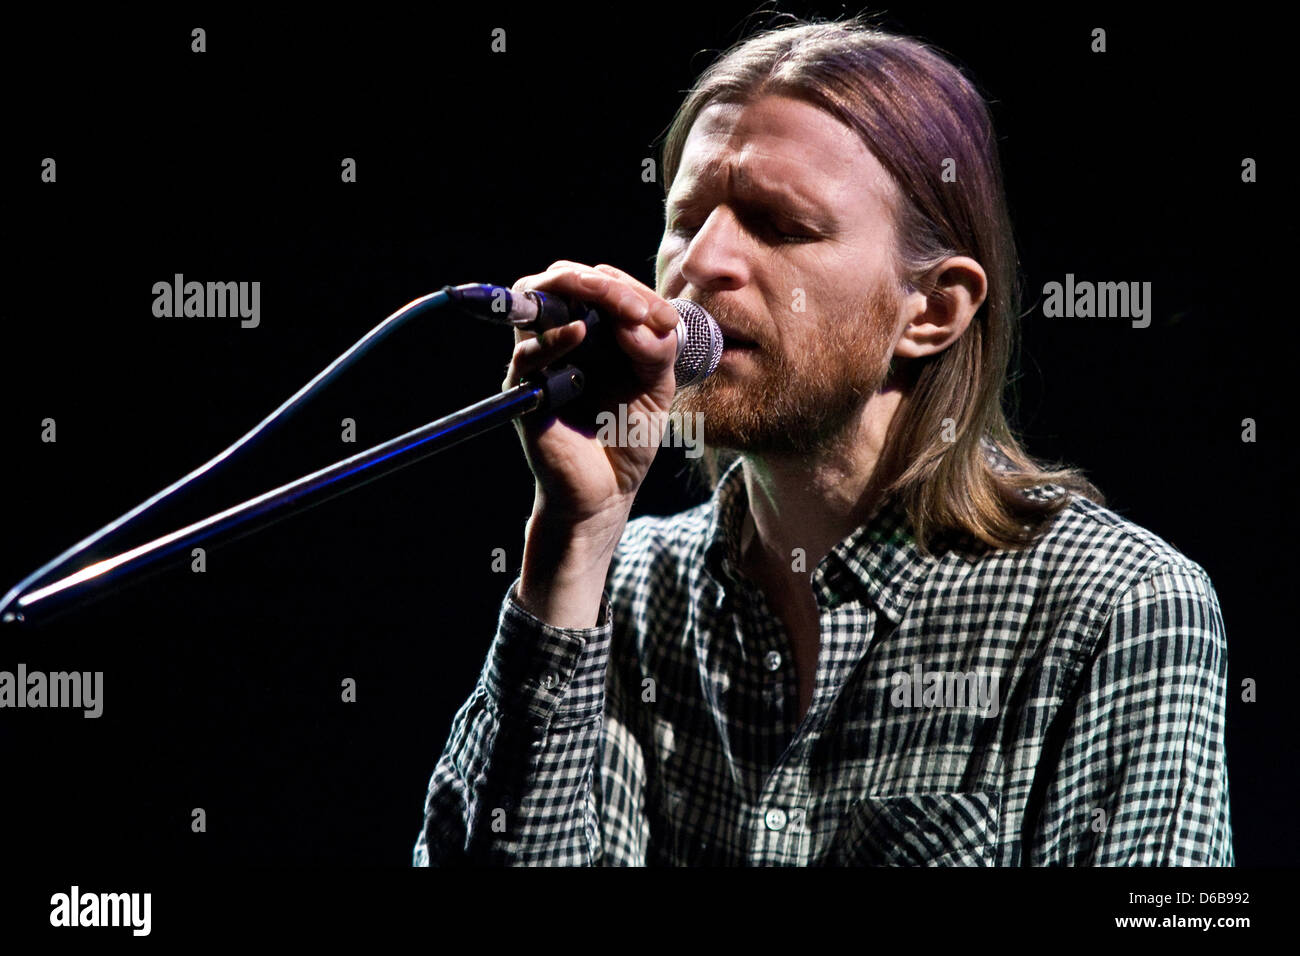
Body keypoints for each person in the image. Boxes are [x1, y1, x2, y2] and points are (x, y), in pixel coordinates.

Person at [413, 16, 1233, 866]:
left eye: (780, 226)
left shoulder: (1116, 606)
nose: (705, 262)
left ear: (934, 309)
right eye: (687, 218)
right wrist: (572, 550)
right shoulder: (624, 593)